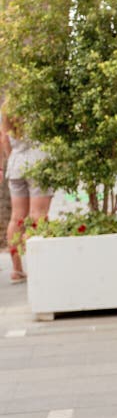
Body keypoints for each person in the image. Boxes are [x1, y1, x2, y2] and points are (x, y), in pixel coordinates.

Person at [0, 100, 53, 284]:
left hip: (16, 163)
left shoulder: (7, 106)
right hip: (38, 162)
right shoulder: (37, 100)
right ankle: (39, 266)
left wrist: (11, 157)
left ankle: (17, 269)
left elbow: (4, 139)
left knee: (16, 218)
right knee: (38, 215)